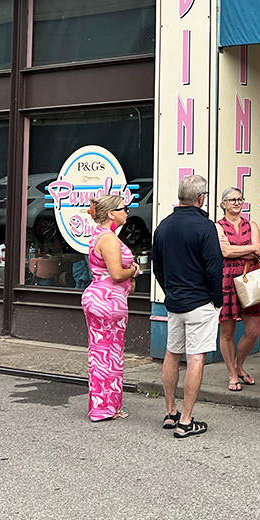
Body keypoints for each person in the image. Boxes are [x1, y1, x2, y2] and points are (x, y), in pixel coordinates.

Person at [152, 174, 223, 438]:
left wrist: (169, 289)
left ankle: (170, 412)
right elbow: (214, 268)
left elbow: (157, 264)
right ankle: (185, 419)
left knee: (172, 353)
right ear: (201, 198)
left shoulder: (164, 225)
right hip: (200, 301)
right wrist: (217, 300)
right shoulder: (206, 227)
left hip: (174, 301)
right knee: (196, 357)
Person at [81, 194, 140, 422]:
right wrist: (133, 271)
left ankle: (101, 406)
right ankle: (107, 408)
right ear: (110, 214)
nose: (127, 212)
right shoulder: (110, 239)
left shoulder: (98, 236)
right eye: (123, 208)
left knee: (99, 354)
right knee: (111, 355)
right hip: (108, 300)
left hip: (98, 296)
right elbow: (116, 274)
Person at [215, 186, 260, 390]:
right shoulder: (217, 227)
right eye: (232, 199)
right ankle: (231, 374)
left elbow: (259, 252)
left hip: (249, 279)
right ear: (223, 204)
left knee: (253, 330)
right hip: (227, 279)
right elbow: (225, 252)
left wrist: (247, 250)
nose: (237, 203)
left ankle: (239, 365)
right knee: (227, 330)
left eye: (239, 199)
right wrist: (250, 248)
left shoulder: (252, 225)